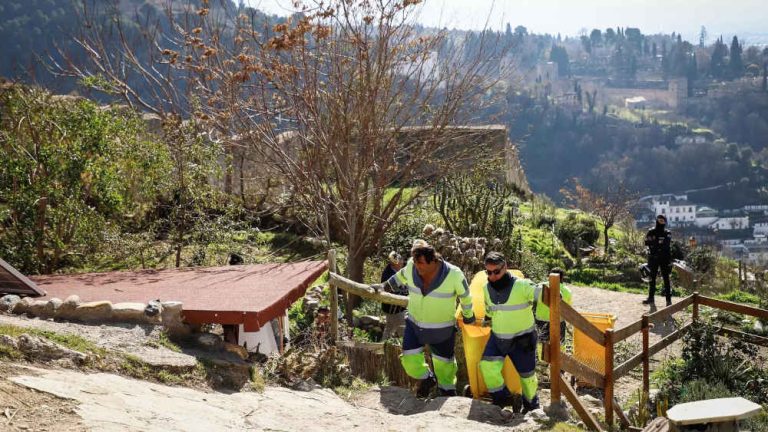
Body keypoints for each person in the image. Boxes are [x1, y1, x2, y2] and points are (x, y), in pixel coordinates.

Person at [378, 239, 475, 398]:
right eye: (415, 263)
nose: (417, 267)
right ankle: (427, 378)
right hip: (415, 325)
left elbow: (466, 297)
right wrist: (382, 287)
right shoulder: (411, 266)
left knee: (445, 367)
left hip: (442, 330)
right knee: (409, 361)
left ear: (434, 261)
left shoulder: (454, 274)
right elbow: (397, 279)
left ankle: (447, 393)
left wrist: (469, 316)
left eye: (421, 263)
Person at [478, 252, 540, 413]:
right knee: (487, 366)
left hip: (522, 341)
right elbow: (491, 311)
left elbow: (540, 293)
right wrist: (487, 318)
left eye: (496, 271)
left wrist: (552, 292)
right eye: (488, 272)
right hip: (498, 338)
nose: (492, 276)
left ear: (505, 267)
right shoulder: (486, 288)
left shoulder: (522, 285)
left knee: (527, 378)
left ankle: (531, 405)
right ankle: (503, 398)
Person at [533, 268, 572, 346]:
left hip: (541, 321)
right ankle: (559, 358)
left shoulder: (540, 286)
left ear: (549, 276)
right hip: (559, 321)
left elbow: (533, 301)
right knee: (559, 345)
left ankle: (542, 358)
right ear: (562, 278)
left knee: (542, 345)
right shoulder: (567, 291)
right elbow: (568, 309)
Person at [643, 214, 672, 307]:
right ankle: (651, 298)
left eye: (662, 220)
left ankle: (668, 300)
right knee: (652, 278)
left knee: (666, 278)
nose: (660, 222)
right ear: (656, 220)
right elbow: (646, 242)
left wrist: (655, 242)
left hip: (664, 258)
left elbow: (666, 245)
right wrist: (658, 242)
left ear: (665, 222)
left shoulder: (667, 232)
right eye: (659, 220)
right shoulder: (651, 231)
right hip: (653, 258)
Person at [380, 251, 406, 340]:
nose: (402, 261)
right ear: (396, 263)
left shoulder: (394, 271)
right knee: (404, 331)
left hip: (394, 307)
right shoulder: (389, 274)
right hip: (394, 308)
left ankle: (382, 348)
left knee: (389, 329)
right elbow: (393, 290)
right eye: (401, 260)